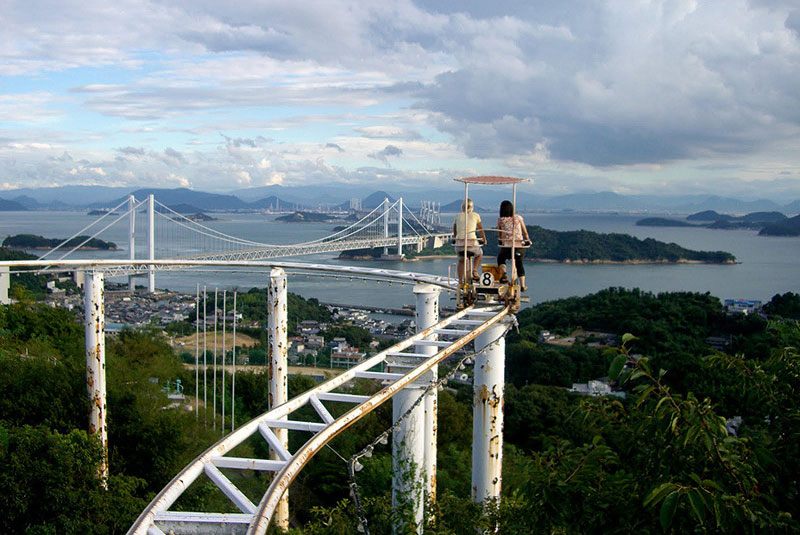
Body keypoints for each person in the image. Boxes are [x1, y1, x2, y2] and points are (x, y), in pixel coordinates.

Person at [496, 200, 531, 291]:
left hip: (507, 247)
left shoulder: (500, 220)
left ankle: (504, 272)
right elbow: (525, 232)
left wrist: (501, 241)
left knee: (501, 259)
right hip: (518, 246)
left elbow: (500, 234)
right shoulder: (518, 218)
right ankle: (523, 285)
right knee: (519, 264)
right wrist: (528, 240)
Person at [453, 198, 486, 283]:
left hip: (460, 245)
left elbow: (455, 230)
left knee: (461, 260)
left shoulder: (457, 216)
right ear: (472, 207)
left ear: (462, 207)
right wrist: (484, 239)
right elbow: (480, 229)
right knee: (480, 254)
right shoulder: (476, 215)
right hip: (472, 245)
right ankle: (475, 270)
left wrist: (455, 238)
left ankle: (460, 280)